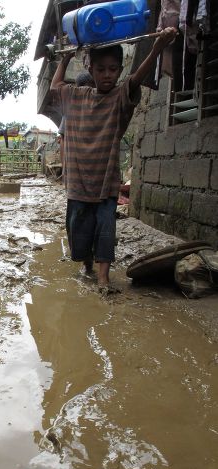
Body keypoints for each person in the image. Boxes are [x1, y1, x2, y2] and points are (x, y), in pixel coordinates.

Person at [51, 28, 177, 293]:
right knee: (79, 234)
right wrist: (64, 57)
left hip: (106, 184)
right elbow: (55, 87)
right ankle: (86, 265)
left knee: (106, 232)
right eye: (101, 69)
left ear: (119, 70)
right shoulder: (77, 97)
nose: (107, 75)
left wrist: (156, 48)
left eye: (112, 69)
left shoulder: (120, 98)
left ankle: (103, 279)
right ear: (91, 69)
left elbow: (136, 79)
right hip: (77, 186)